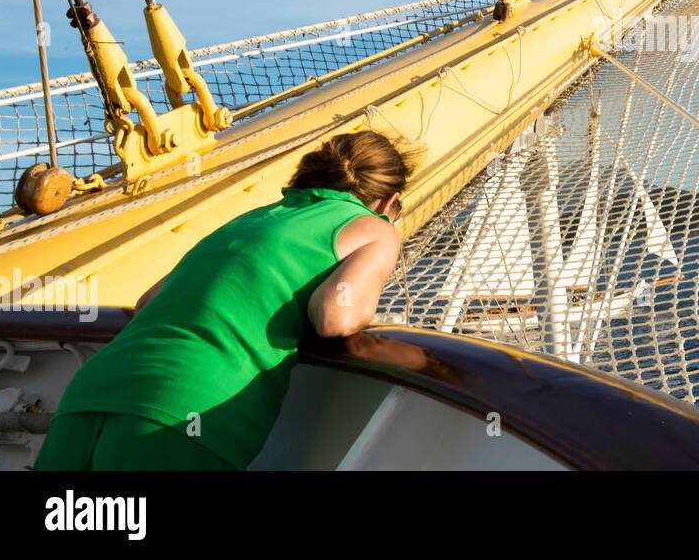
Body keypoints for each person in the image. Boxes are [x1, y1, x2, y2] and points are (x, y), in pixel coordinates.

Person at [34, 130, 416, 471]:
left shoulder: (250, 219)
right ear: (389, 202)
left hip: (91, 394)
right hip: (184, 411)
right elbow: (336, 316)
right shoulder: (374, 227)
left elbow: (148, 301)